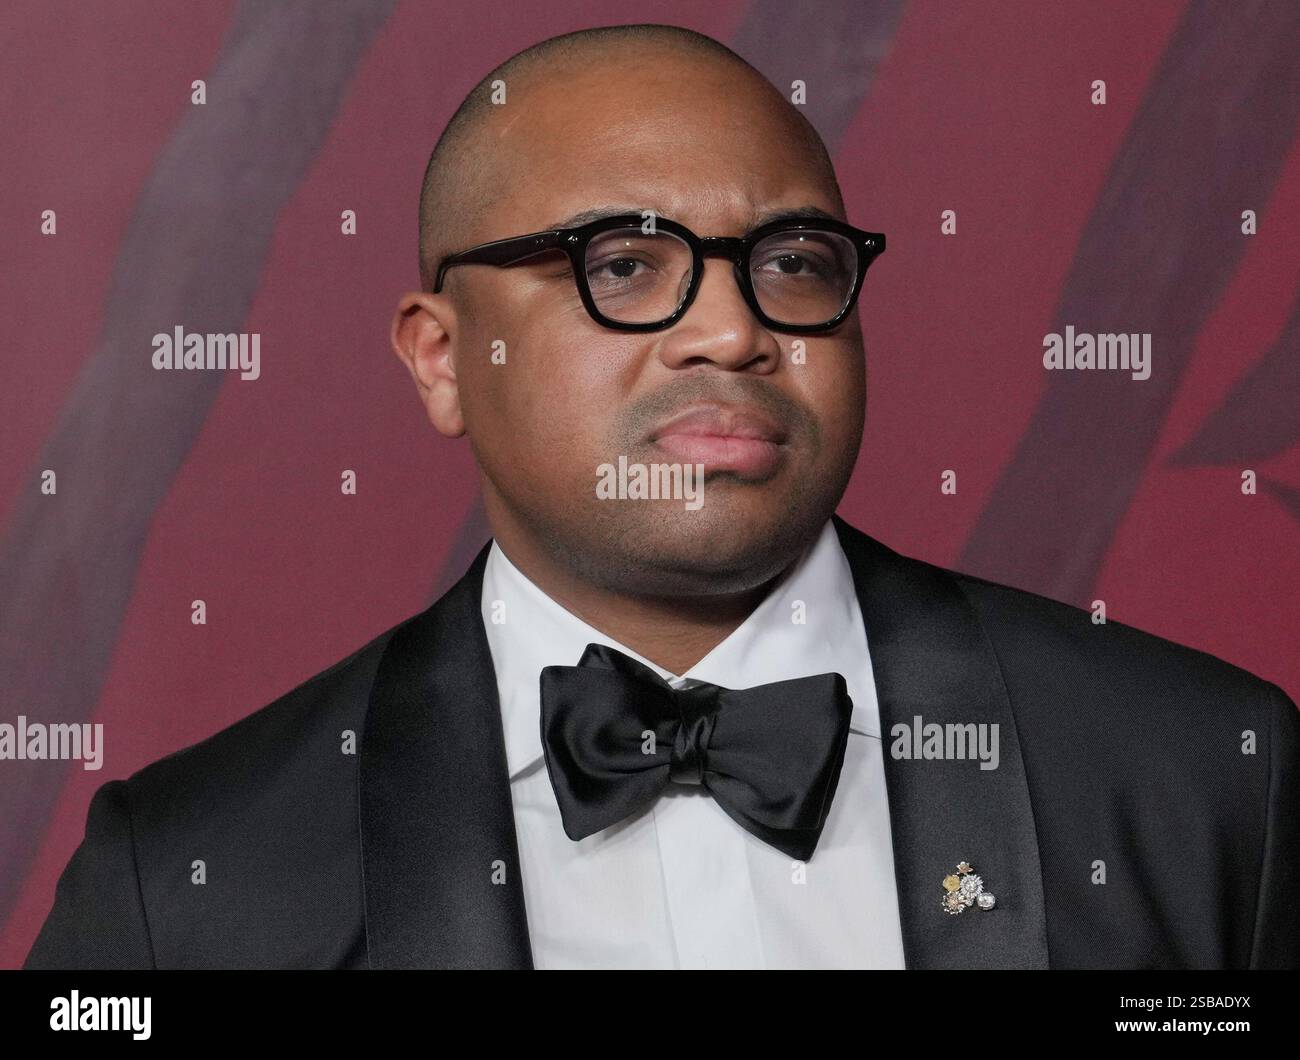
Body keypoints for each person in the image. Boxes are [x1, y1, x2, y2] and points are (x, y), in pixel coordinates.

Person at [25, 23, 1298, 970]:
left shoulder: (1207, 778)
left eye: (793, 264)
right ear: (441, 355)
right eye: (624, 264)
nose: (732, 331)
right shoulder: (181, 887)